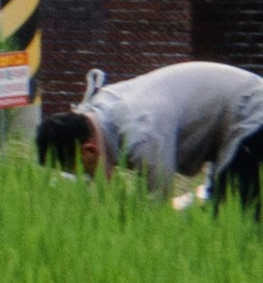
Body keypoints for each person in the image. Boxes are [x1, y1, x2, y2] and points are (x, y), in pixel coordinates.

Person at [39, 57, 263, 205]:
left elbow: (157, 207)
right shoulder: (97, 113)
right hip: (228, 124)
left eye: (83, 172)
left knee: (231, 210)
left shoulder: (141, 136)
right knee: (222, 208)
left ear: (88, 151)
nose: (87, 179)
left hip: (252, 112)